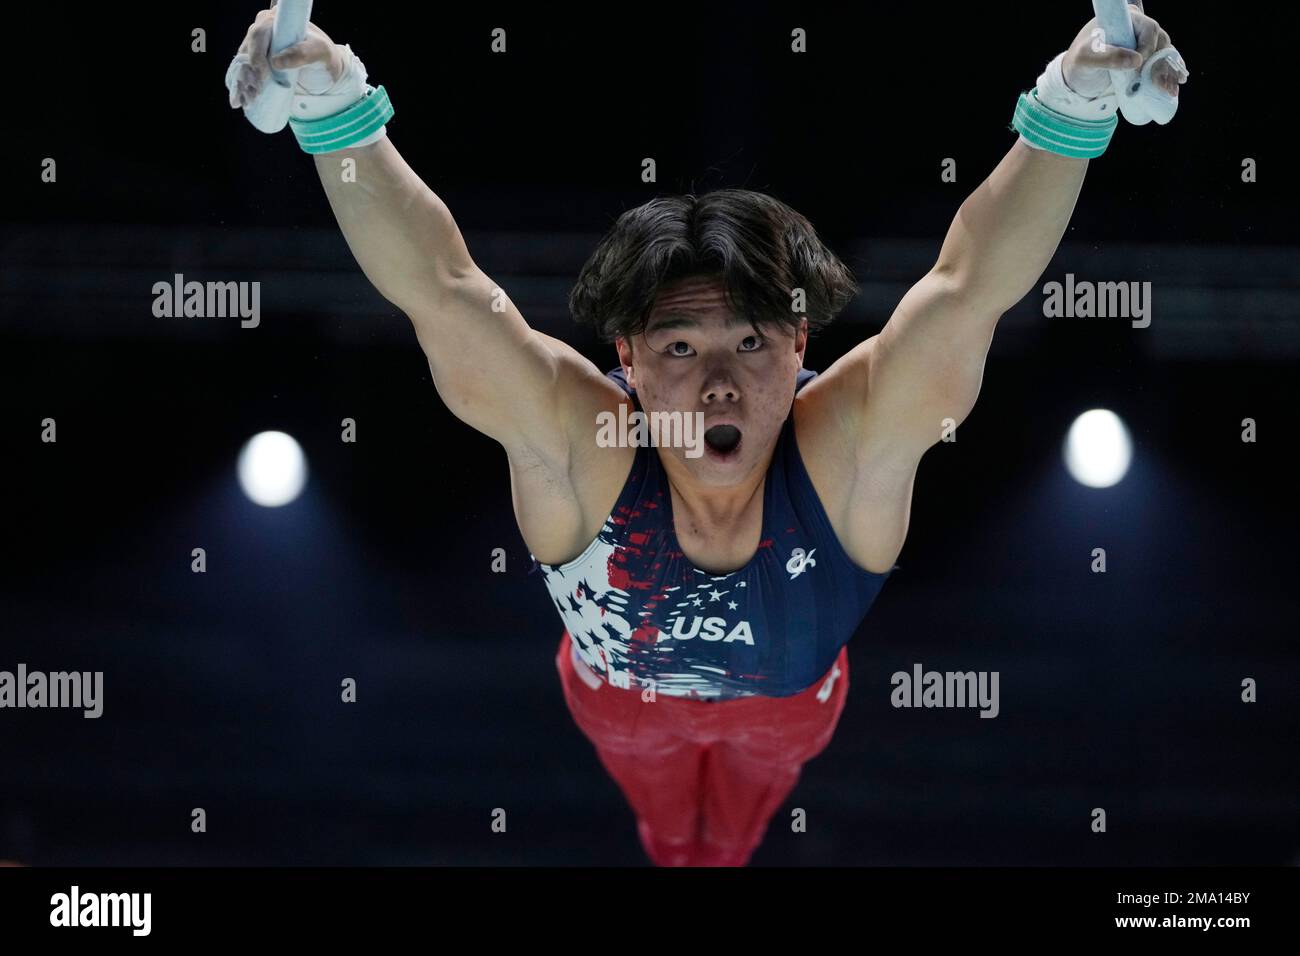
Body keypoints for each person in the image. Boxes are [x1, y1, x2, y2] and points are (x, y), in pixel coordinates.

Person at [227, 2, 1187, 865]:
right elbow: (441, 293)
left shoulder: (844, 444)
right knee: (669, 833)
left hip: (782, 719)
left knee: (731, 840)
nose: (721, 381)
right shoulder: (588, 440)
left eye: (753, 341)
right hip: (625, 715)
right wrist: (334, 109)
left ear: (802, 346)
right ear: (629, 361)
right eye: (680, 345)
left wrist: (1071, 108)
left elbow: (968, 290)